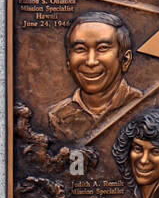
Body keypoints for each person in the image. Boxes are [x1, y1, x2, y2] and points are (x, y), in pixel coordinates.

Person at [47, 11, 141, 141]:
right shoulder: (55, 117)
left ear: (125, 60)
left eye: (102, 48)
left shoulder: (142, 105)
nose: (91, 61)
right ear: (68, 61)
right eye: (80, 49)